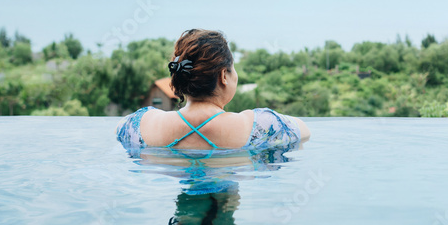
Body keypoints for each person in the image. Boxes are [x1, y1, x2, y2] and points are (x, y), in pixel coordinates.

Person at [116, 29, 310, 154]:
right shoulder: (260, 126)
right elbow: (304, 131)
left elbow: (118, 130)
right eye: (233, 68)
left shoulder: (140, 123)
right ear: (223, 76)